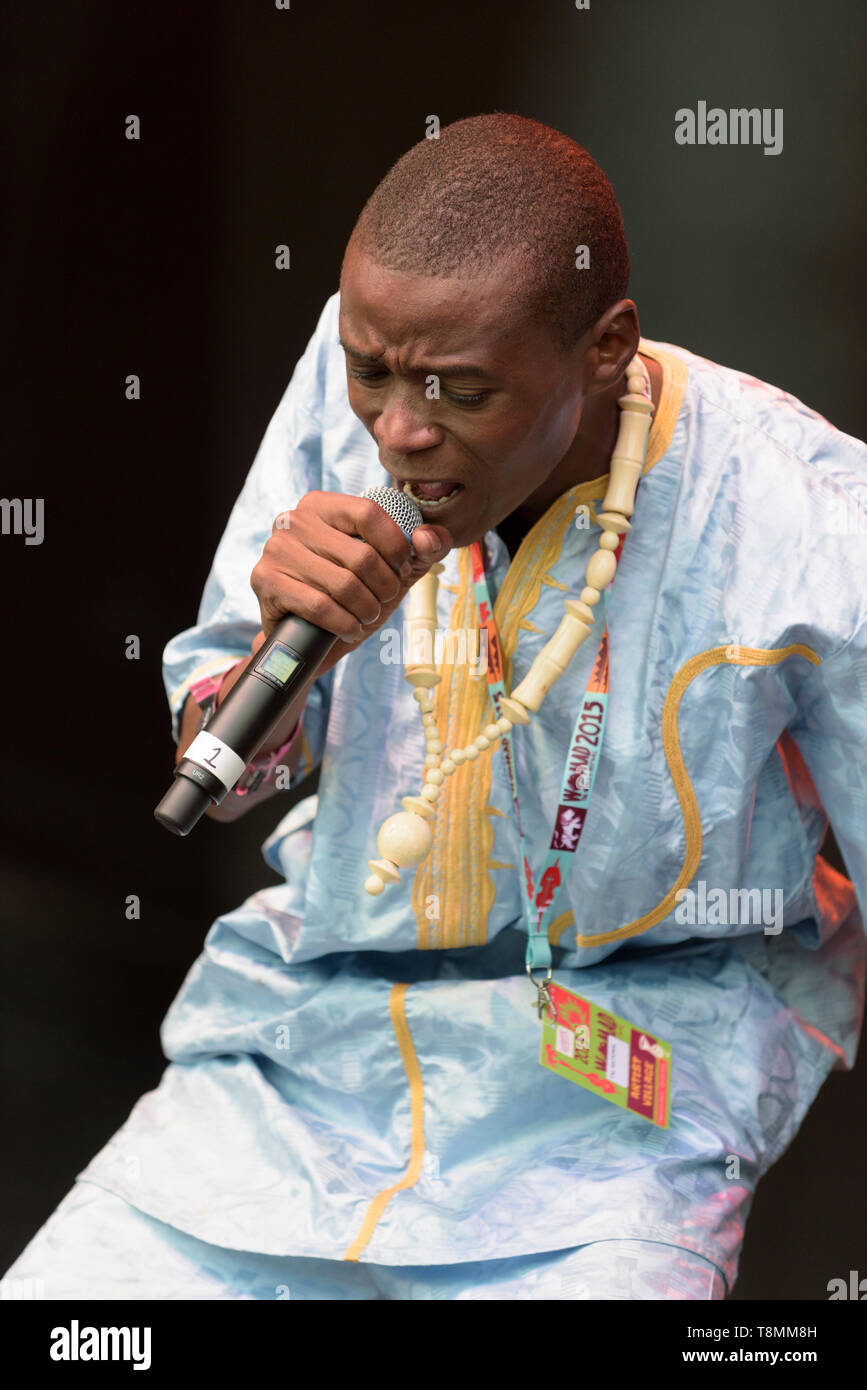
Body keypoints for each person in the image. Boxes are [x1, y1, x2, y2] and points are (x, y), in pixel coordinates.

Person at [5, 112, 865, 1301]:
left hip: (635, 1086)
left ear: (607, 347)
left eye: (462, 391)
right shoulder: (357, 371)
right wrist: (278, 650)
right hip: (301, 1053)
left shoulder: (811, 519)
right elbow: (230, 760)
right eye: (372, 372)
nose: (401, 430)